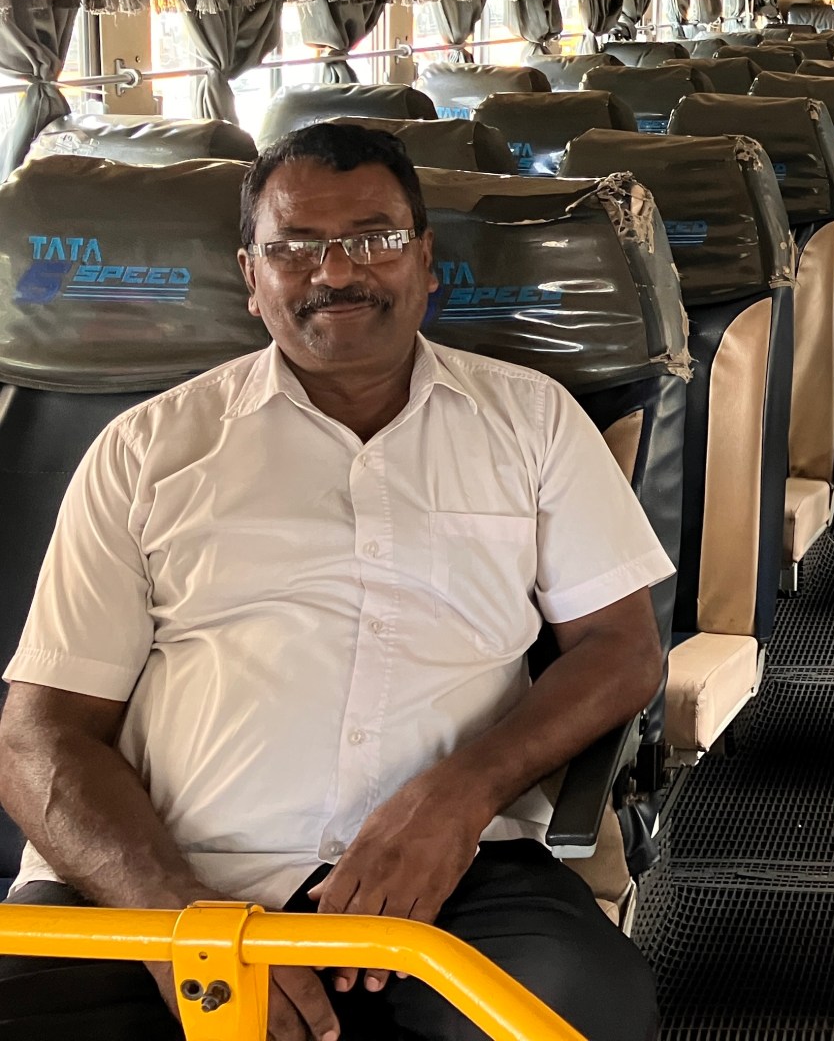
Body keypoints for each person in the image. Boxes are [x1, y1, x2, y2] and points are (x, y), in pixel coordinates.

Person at [0, 124, 670, 1041]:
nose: (338, 271)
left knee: (579, 1012)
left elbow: (622, 648)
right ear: (250, 274)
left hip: (456, 872)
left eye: (375, 238)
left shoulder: (533, 421)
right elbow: (40, 732)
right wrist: (177, 923)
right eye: (296, 247)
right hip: (160, 874)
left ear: (427, 260)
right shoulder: (147, 450)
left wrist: (461, 795)